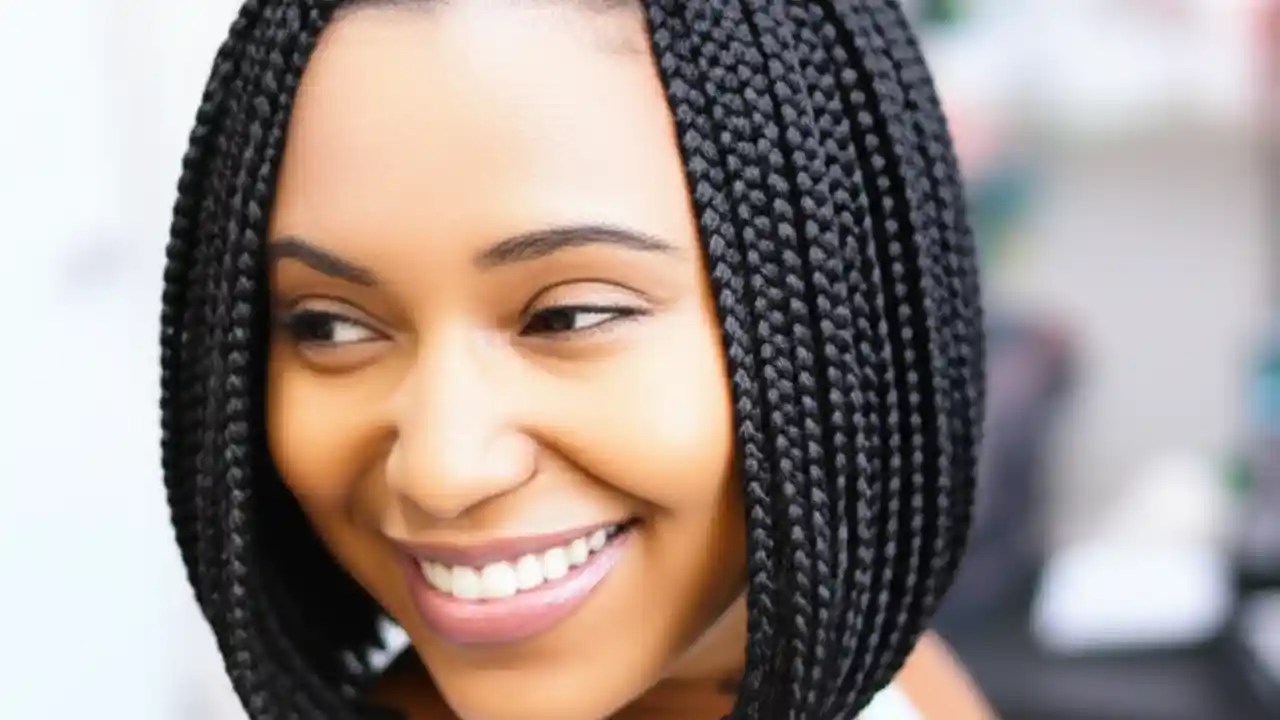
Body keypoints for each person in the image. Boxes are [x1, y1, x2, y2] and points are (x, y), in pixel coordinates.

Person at [159, 1, 990, 718]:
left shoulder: (891, 677)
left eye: (568, 316)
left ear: (847, 302)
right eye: (330, 327)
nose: (442, 470)